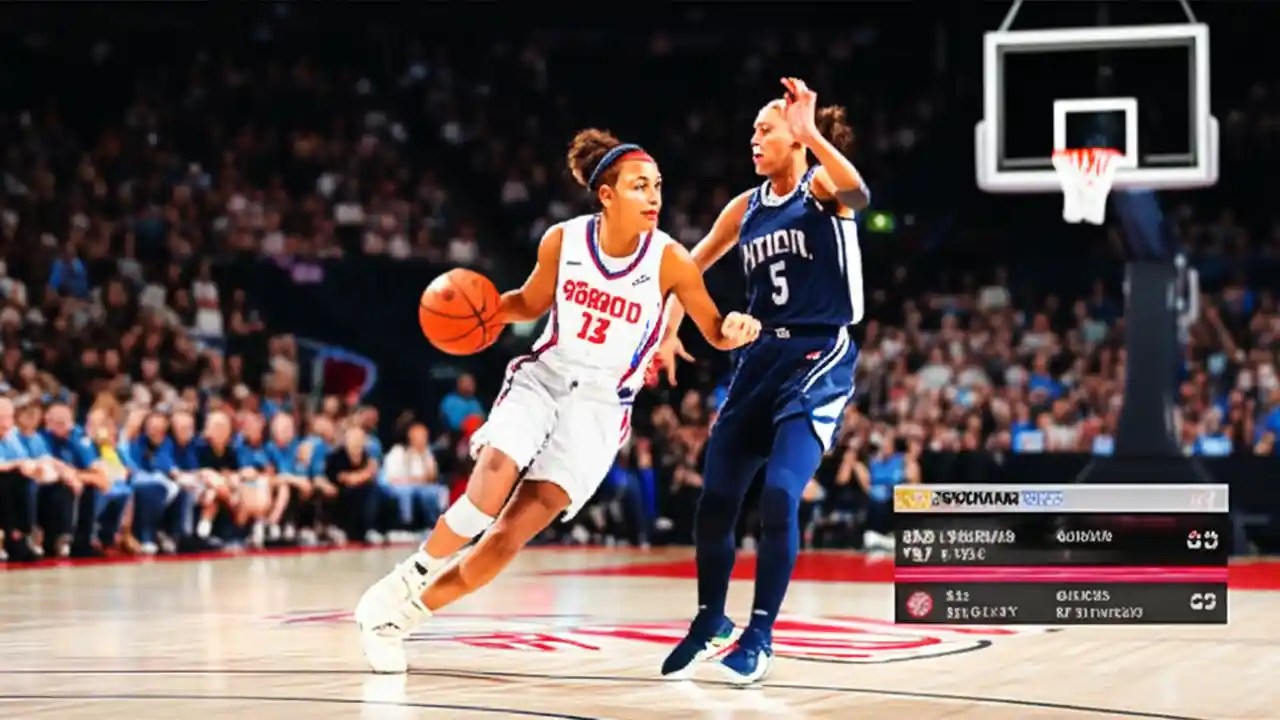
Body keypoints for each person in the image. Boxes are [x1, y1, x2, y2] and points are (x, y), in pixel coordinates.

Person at [354, 128, 762, 673]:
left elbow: (712, 328)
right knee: (492, 479)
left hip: (600, 411)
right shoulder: (563, 241)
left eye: (658, 186)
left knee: (504, 539)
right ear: (607, 194)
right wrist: (490, 311)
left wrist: (734, 329)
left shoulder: (670, 261)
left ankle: (396, 622)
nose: (655, 197)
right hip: (544, 379)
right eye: (640, 186)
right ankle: (413, 573)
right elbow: (529, 300)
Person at [656, 77, 871, 684]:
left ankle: (761, 634)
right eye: (752, 130)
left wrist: (811, 135)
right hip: (757, 359)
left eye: (765, 129)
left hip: (818, 354)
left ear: (796, 139)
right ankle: (709, 622)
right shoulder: (744, 208)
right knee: (715, 502)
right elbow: (688, 267)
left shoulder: (821, 185)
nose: (753, 138)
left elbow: (862, 194)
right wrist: (673, 325)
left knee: (779, 494)